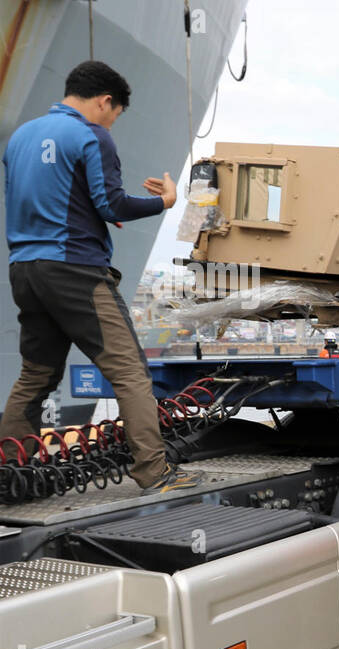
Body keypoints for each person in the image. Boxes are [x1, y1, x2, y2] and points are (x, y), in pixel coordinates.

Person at [0, 61, 196, 492]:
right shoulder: (92, 134)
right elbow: (111, 205)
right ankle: (155, 472)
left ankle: (9, 476)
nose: (112, 122)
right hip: (75, 271)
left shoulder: (19, 138)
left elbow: (43, 199)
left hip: (25, 270)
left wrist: (89, 216)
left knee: (35, 376)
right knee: (130, 372)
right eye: (115, 114)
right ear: (106, 101)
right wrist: (162, 202)